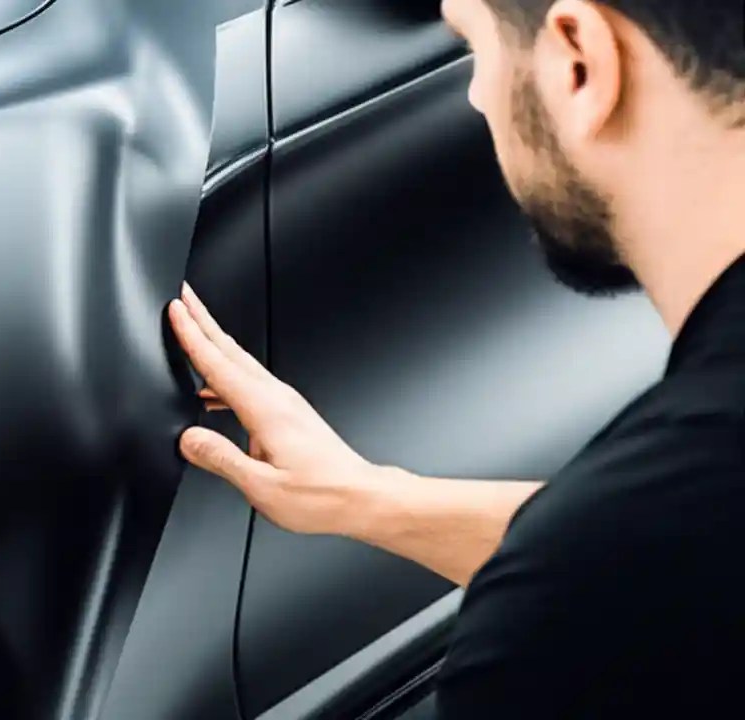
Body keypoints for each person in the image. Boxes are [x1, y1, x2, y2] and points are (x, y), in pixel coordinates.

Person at [168, 0, 744, 716]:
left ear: (578, 62)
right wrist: (368, 498)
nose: (476, 95)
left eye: (477, 47)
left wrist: (550, 572)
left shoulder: (552, 640)